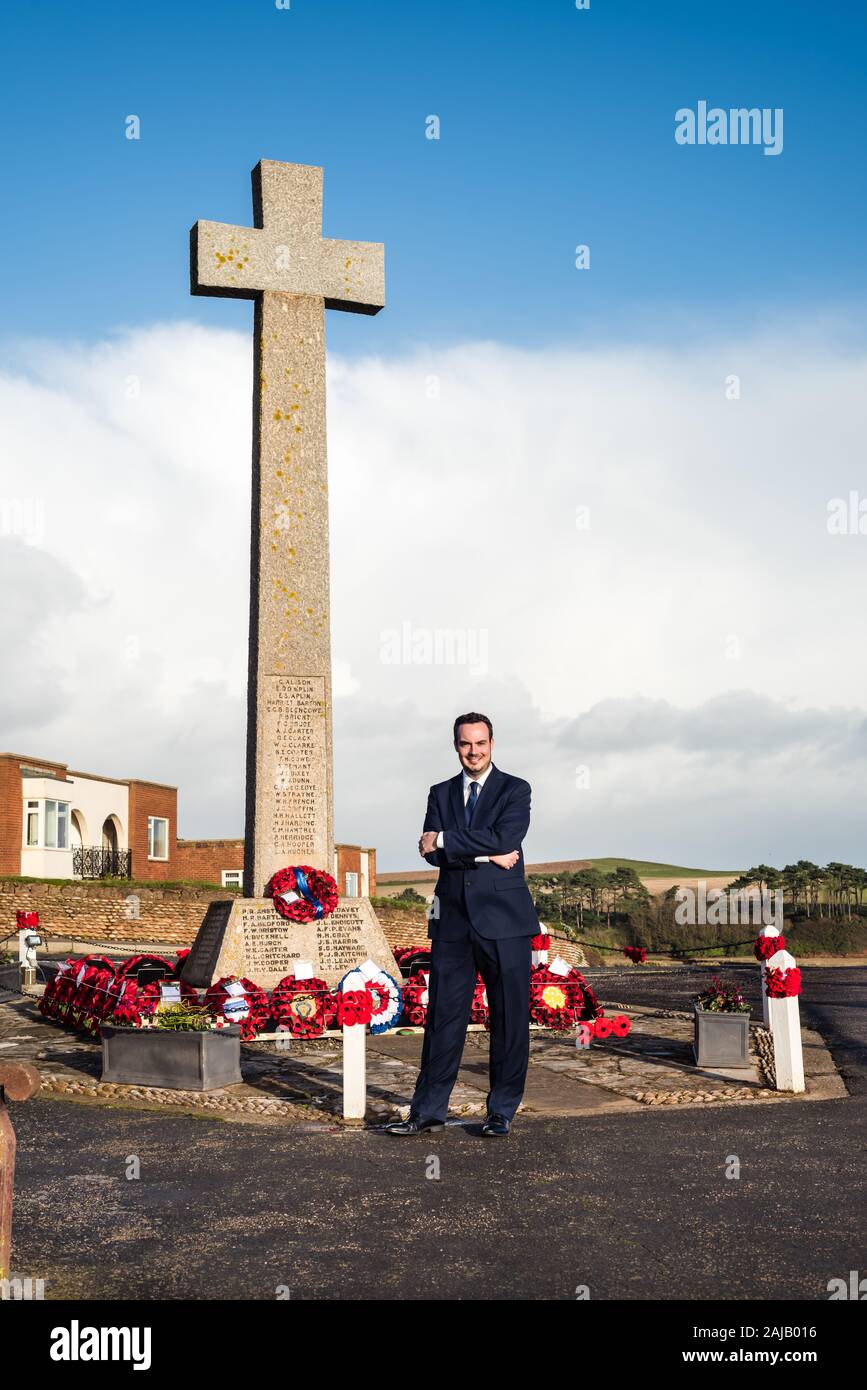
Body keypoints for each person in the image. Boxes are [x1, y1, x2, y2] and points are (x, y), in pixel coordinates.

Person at [385, 712, 537, 1138]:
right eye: (466, 744)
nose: (474, 751)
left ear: (492, 743)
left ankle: (500, 1112)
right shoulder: (440, 792)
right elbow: (429, 852)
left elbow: (505, 837)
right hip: (452, 922)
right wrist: (487, 854)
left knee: (509, 1017)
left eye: (481, 743)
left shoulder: (515, 789)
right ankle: (427, 1112)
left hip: (505, 923)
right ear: (456, 746)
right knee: (443, 1017)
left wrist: (451, 839)